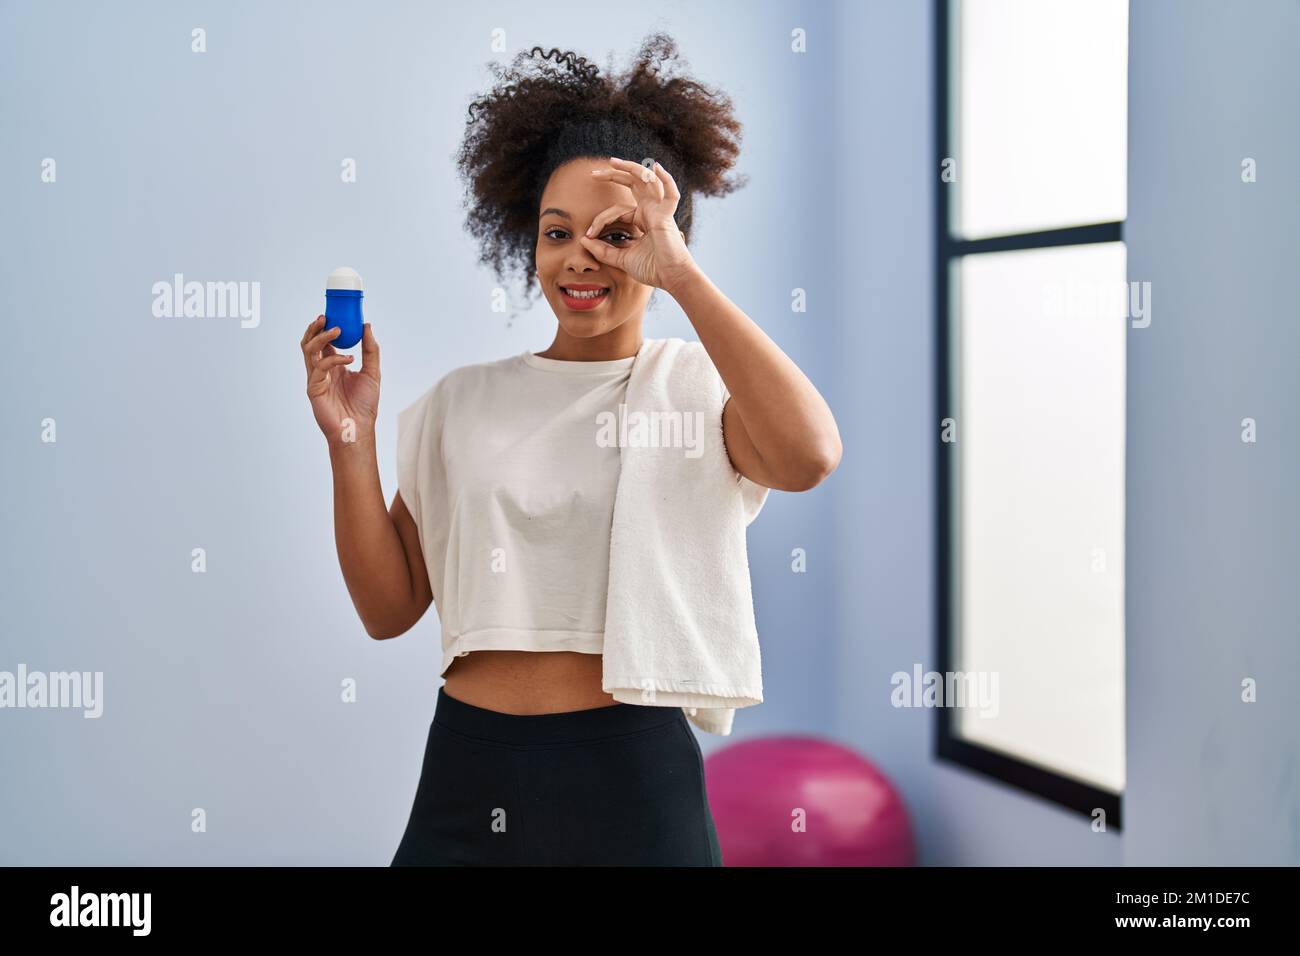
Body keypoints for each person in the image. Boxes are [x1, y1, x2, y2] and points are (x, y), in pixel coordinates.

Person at [300, 33, 841, 866]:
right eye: (557, 233)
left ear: (661, 242)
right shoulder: (462, 402)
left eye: (616, 235)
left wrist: (685, 278)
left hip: (630, 777)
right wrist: (350, 439)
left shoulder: (695, 388)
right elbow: (388, 609)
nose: (579, 257)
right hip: (467, 771)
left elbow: (809, 455)